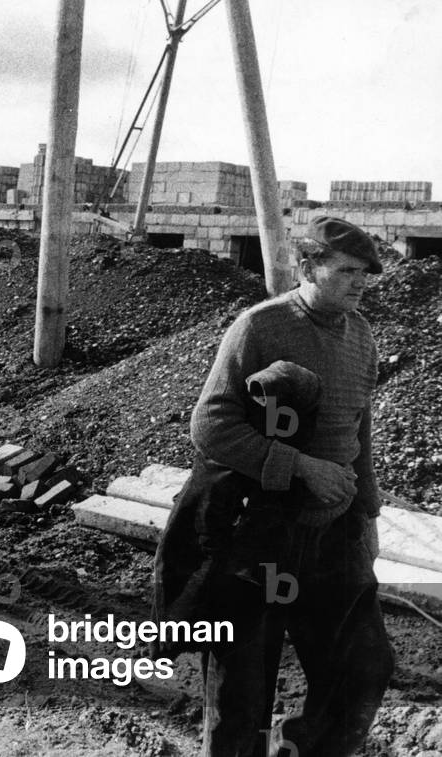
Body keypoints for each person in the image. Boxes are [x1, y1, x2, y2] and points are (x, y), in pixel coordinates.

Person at [186, 216, 393, 756]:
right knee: (242, 687)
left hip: (337, 533)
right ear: (306, 268)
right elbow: (210, 425)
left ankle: (298, 747)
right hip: (264, 531)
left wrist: (368, 514)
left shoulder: (361, 334)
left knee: (362, 668)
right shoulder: (260, 327)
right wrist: (300, 466)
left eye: (365, 273)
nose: (360, 282)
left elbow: (358, 427)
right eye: (346, 271)